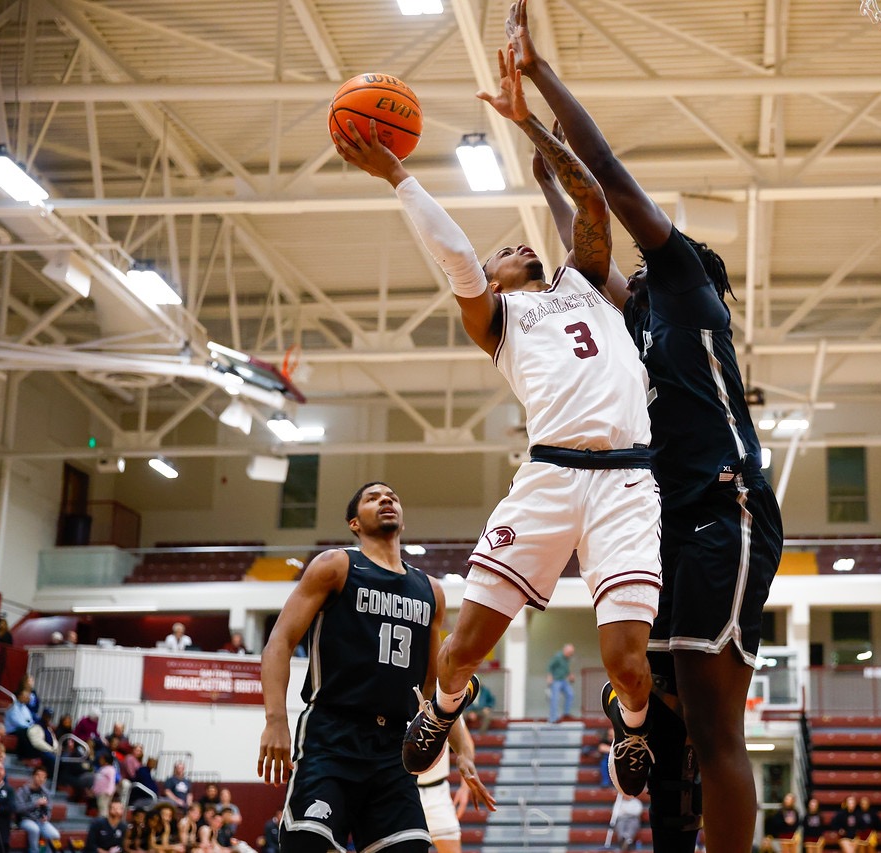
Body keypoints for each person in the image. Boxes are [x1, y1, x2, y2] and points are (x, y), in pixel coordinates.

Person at [335, 52, 661, 799]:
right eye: (502, 249)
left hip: (627, 480)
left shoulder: (584, 284)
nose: (520, 245)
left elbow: (592, 205)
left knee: (626, 662)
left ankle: (630, 720)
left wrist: (533, 134)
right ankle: (444, 707)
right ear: (490, 273)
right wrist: (397, 176)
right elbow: (454, 256)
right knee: (461, 651)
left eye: (526, 244)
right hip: (548, 475)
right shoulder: (497, 318)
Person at [506, 5, 784, 851]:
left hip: (724, 513)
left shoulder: (690, 293)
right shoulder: (637, 326)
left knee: (711, 724)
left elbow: (611, 183)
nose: (630, 263)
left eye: (647, 256)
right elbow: (587, 232)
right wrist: (550, 186)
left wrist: (541, 84)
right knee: (658, 725)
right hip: (660, 530)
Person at [257, 481, 493, 853]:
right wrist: (275, 720)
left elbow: (434, 686)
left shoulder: (430, 590)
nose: (386, 500)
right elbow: (278, 644)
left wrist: (463, 747)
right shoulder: (335, 565)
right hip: (332, 736)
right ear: (354, 522)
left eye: (393, 497)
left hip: (393, 751)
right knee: (308, 845)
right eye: (373, 498)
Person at [416, 745, 481, 853]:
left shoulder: (450, 726)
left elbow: (466, 744)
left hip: (437, 793)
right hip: (402, 792)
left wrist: (465, 788)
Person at [15, 766, 61, 852]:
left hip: (40, 820)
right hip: (26, 819)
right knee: (34, 829)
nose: (41, 779)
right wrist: (35, 804)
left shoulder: (46, 792)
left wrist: (47, 816)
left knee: (55, 835)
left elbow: (49, 808)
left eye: (44, 777)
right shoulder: (23, 790)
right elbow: (18, 808)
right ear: (33, 776)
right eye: (39, 776)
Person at [546, 643, 576, 723]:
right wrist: (549, 677)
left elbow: (565, 669)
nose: (571, 654)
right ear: (565, 650)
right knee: (555, 699)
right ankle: (553, 718)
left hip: (563, 680)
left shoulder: (567, 659)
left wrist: (570, 675)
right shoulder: (557, 657)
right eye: (570, 652)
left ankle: (566, 714)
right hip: (556, 680)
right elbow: (550, 666)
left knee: (570, 694)